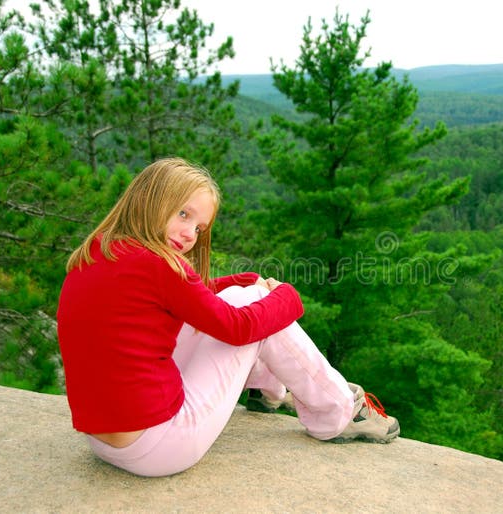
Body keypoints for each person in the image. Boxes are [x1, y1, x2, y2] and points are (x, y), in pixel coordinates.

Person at [56, 157, 399, 477]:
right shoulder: (160, 265)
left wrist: (241, 281)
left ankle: (268, 389)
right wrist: (286, 295)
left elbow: (189, 299)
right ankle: (339, 412)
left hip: (104, 443)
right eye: (183, 214)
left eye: (199, 228)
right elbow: (237, 328)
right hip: (159, 447)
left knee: (241, 297)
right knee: (257, 306)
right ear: (149, 199)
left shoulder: (99, 251)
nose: (190, 234)